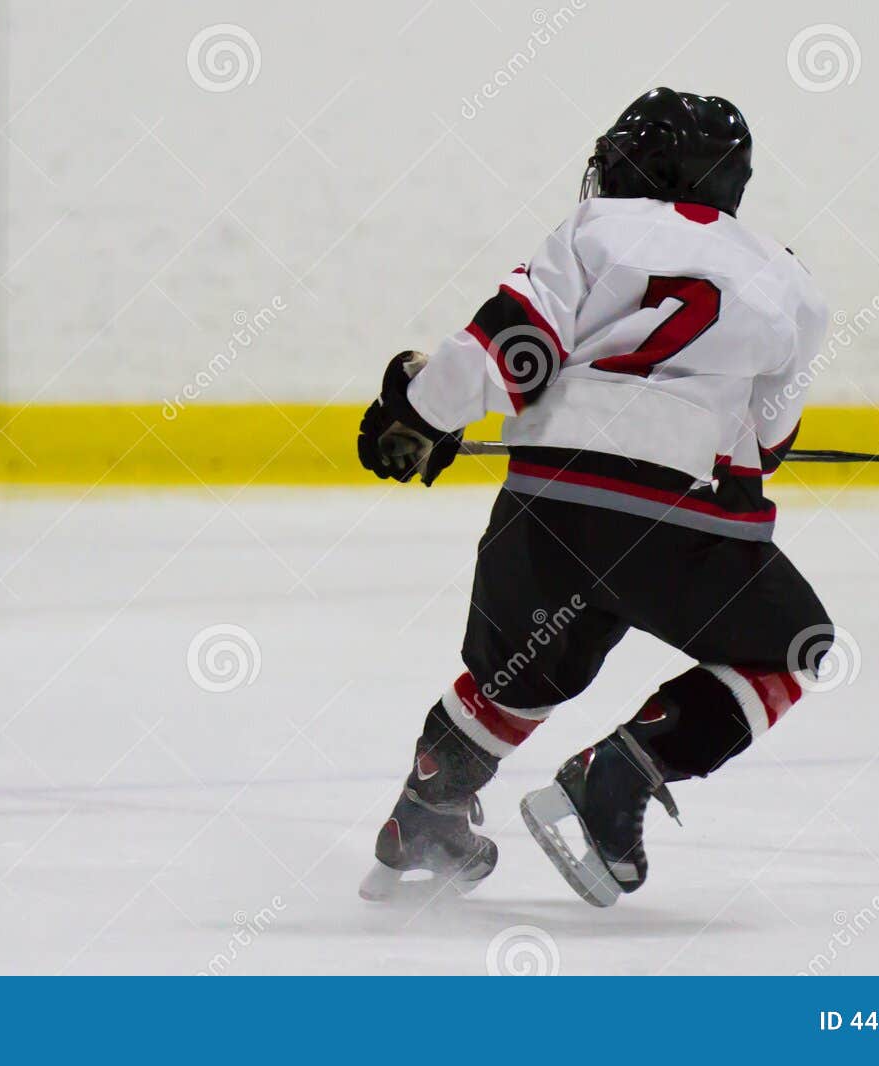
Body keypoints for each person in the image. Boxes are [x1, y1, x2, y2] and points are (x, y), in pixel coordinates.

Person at [355, 87, 835, 907]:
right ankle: (619, 775)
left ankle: (425, 814)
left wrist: (419, 412)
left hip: (549, 504)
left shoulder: (591, 230)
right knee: (795, 646)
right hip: (679, 523)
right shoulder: (787, 277)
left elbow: (515, 347)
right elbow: (770, 441)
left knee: (523, 668)